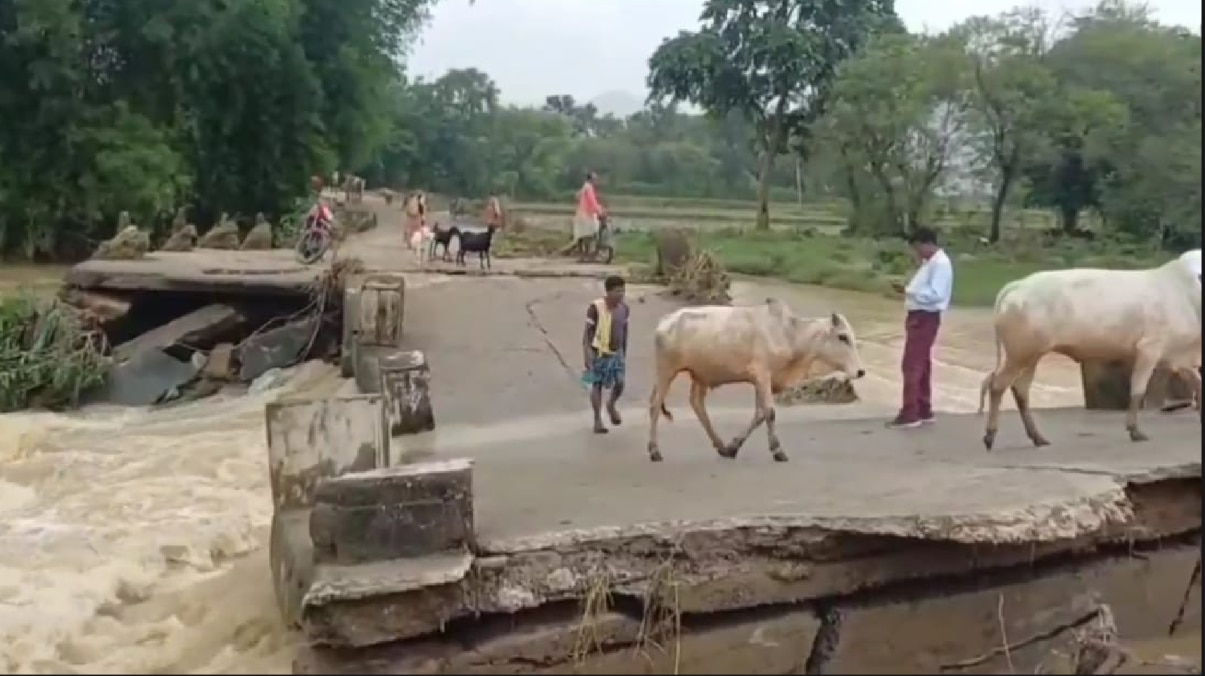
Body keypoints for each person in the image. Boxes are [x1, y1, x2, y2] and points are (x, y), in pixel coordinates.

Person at [888, 227, 954, 429]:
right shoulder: (930, 263)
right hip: (920, 316)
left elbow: (935, 294)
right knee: (922, 364)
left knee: (911, 365)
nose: (917, 253)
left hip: (925, 317)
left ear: (927, 244)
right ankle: (923, 408)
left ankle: (910, 412)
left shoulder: (940, 264)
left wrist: (909, 292)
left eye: (918, 248)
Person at [582, 275, 629, 434]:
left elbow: (624, 331)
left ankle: (611, 405)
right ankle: (597, 420)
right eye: (617, 291)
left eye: (623, 290)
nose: (621, 294)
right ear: (608, 292)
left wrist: (624, 352)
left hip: (617, 353)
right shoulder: (595, 308)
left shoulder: (624, 308)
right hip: (598, 353)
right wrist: (588, 357)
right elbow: (587, 335)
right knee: (596, 385)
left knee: (620, 383)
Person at [573, 172, 604, 260]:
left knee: (581, 235)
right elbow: (592, 201)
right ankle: (587, 254)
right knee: (590, 233)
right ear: (591, 179)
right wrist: (599, 211)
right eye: (594, 179)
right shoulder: (589, 188)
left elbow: (578, 197)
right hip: (587, 214)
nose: (596, 181)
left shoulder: (584, 187)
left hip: (581, 213)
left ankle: (582, 255)